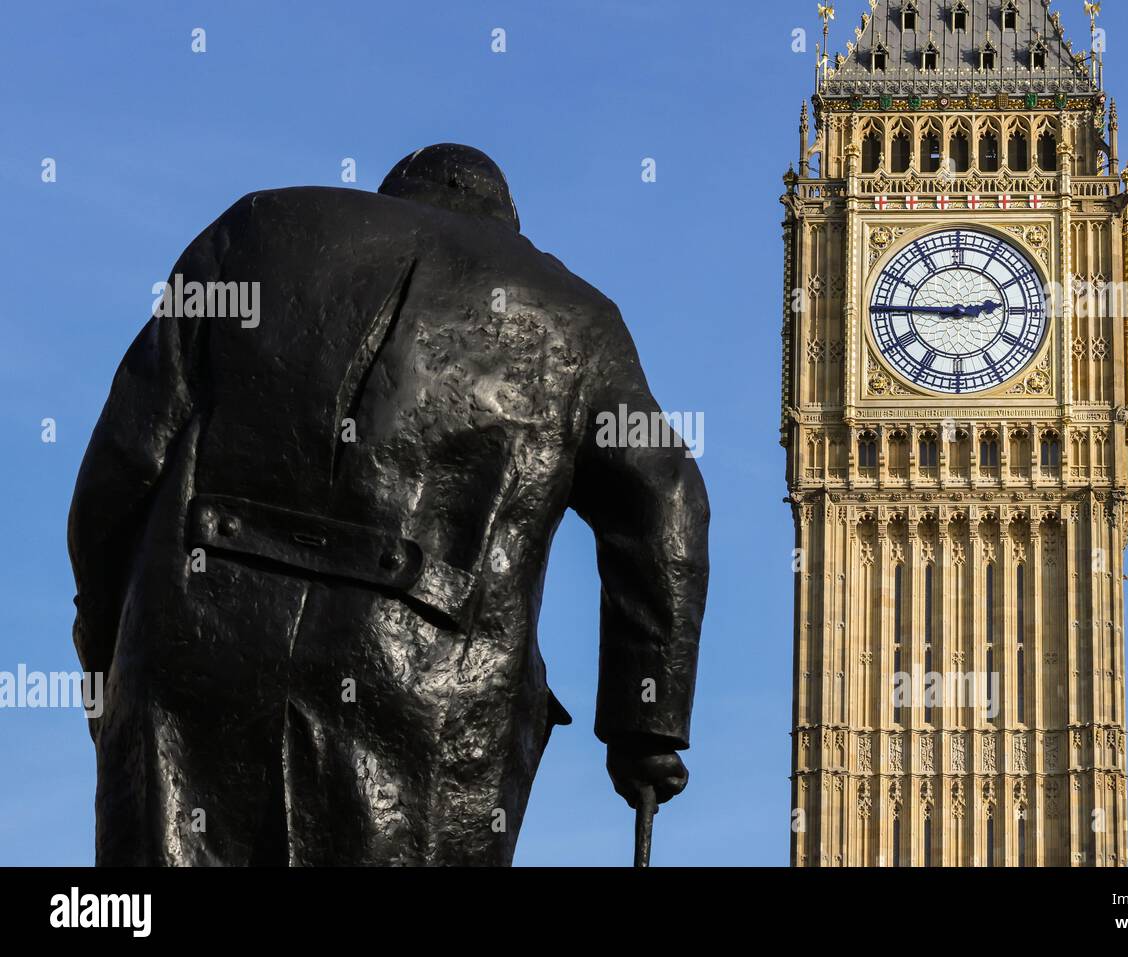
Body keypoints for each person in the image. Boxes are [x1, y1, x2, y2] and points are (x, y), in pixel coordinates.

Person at [67, 144, 709, 865]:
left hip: (195, 657)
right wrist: (644, 724)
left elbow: (120, 467)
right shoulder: (577, 321)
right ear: (509, 226)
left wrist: (105, 643)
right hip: (428, 700)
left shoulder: (251, 228)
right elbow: (668, 505)